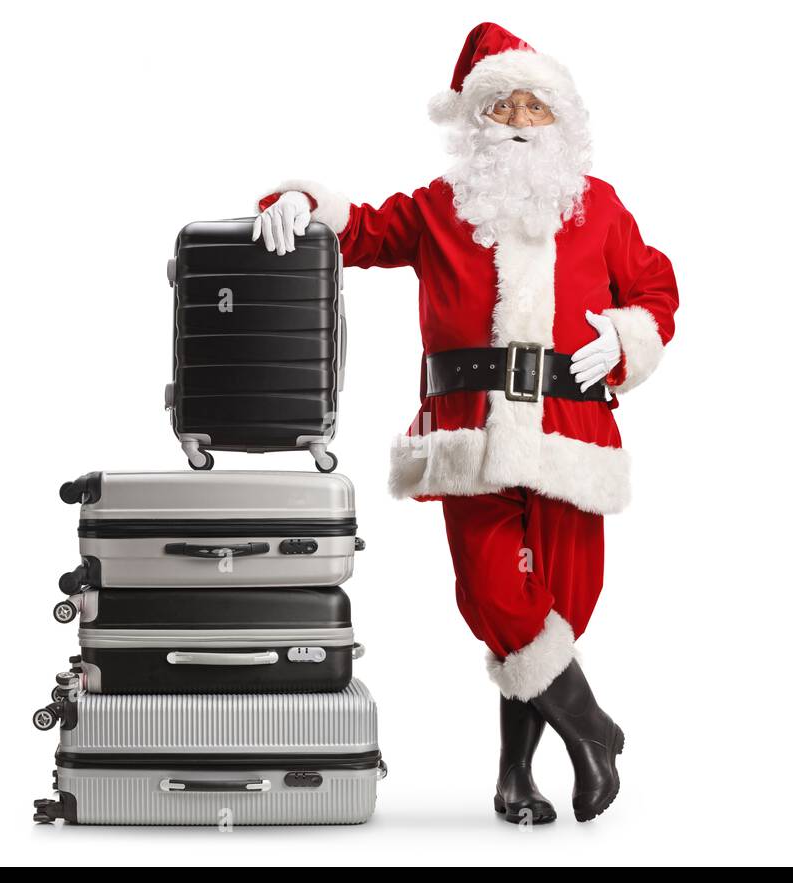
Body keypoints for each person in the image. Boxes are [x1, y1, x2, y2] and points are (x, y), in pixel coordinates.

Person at [252, 22, 678, 824]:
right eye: (500, 105)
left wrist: (622, 337)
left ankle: (515, 780)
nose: (518, 119)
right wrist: (303, 201)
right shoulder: (439, 208)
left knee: (561, 606)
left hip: (572, 434)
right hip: (470, 433)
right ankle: (594, 732)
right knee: (495, 595)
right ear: (475, 123)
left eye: (535, 105)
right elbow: (366, 230)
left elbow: (657, 289)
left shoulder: (602, 208)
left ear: (562, 121)